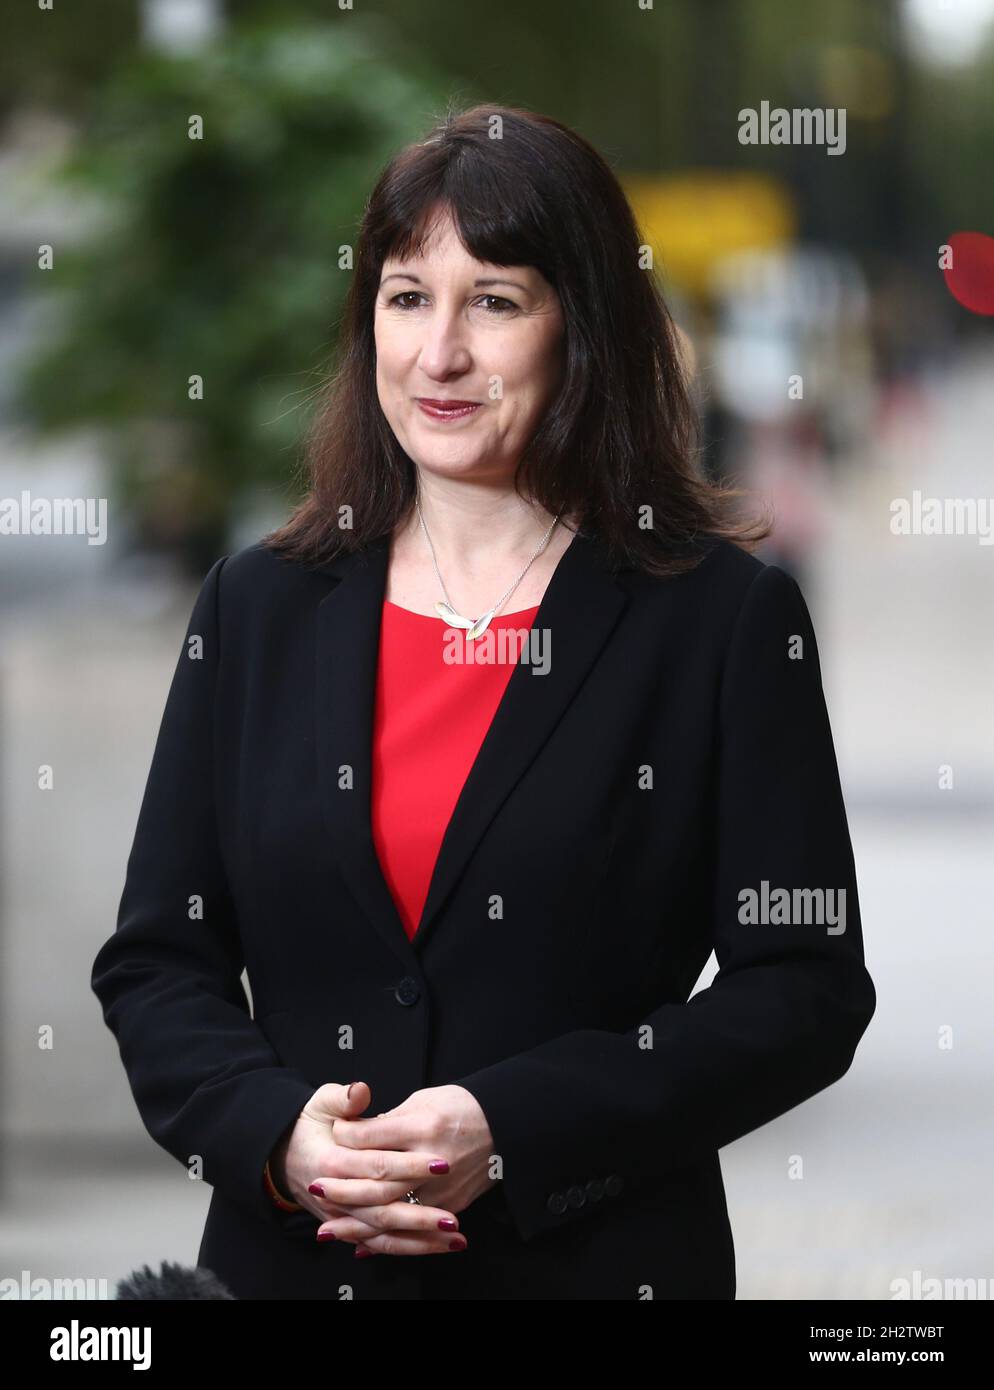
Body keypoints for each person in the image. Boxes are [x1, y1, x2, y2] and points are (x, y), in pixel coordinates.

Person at [91, 104, 876, 1301]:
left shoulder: (717, 620)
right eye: (406, 297)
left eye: (494, 301)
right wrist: (278, 1138)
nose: (437, 353)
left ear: (586, 331)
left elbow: (806, 988)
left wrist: (511, 1123)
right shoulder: (255, 607)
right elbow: (158, 961)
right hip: (291, 1272)